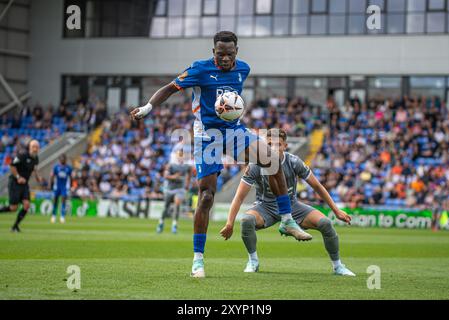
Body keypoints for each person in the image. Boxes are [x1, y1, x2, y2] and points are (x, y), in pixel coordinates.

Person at [130, 31, 309, 278]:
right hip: (207, 136)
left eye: (229, 53)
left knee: (272, 159)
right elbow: (170, 88)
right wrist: (148, 107)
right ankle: (198, 260)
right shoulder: (199, 69)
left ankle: (287, 219)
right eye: (220, 53)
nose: (225, 58)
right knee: (205, 196)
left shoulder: (243, 69)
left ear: (237, 51)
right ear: (213, 51)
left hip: (234, 131)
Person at [220, 129, 356, 276]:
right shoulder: (255, 165)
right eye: (269, 144)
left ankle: (338, 266)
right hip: (266, 206)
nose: (273, 148)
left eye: (278, 144)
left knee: (326, 224)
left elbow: (317, 186)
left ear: (285, 146)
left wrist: (336, 211)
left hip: (292, 206)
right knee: (247, 220)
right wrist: (229, 223)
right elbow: (239, 197)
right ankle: (253, 261)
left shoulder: (293, 161)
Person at [0, 140, 43, 232]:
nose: (35, 149)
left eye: (37, 147)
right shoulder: (22, 155)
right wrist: (18, 177)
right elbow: (12, 165)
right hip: (15, 182)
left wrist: (37, 177)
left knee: (26, 205)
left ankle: (15, 227)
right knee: (13, 208)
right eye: (33, 146)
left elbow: (35, 167)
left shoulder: (36, 158)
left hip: (24, 184)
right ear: (29, 147)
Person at [158, 148, 192, 234]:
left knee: (177, 205)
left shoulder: (186, 166)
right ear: (176, 156)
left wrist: (187, 184)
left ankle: (174, 225)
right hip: (170, 188)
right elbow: (165, 176)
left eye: (182, 155)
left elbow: (189, 174)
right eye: (179, 155)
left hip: (180, 189)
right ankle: (161, 223)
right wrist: (174, 177)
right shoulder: (171, 165)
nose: (181, 157)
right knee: (166, 207)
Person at [50, 154, 72, 224]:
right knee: (55, 201)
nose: (62, 160)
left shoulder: (68, 168)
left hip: (64, 187)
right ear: (59, 159)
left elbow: (71, 177)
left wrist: (70, 186)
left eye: (63, 158)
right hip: (57, 186)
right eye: (61, 158)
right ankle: (53, 216)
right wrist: (51, 185)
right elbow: (52, 176)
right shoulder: (56, 167)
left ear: (65, 159)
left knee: (63, 201)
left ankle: (62, 216)